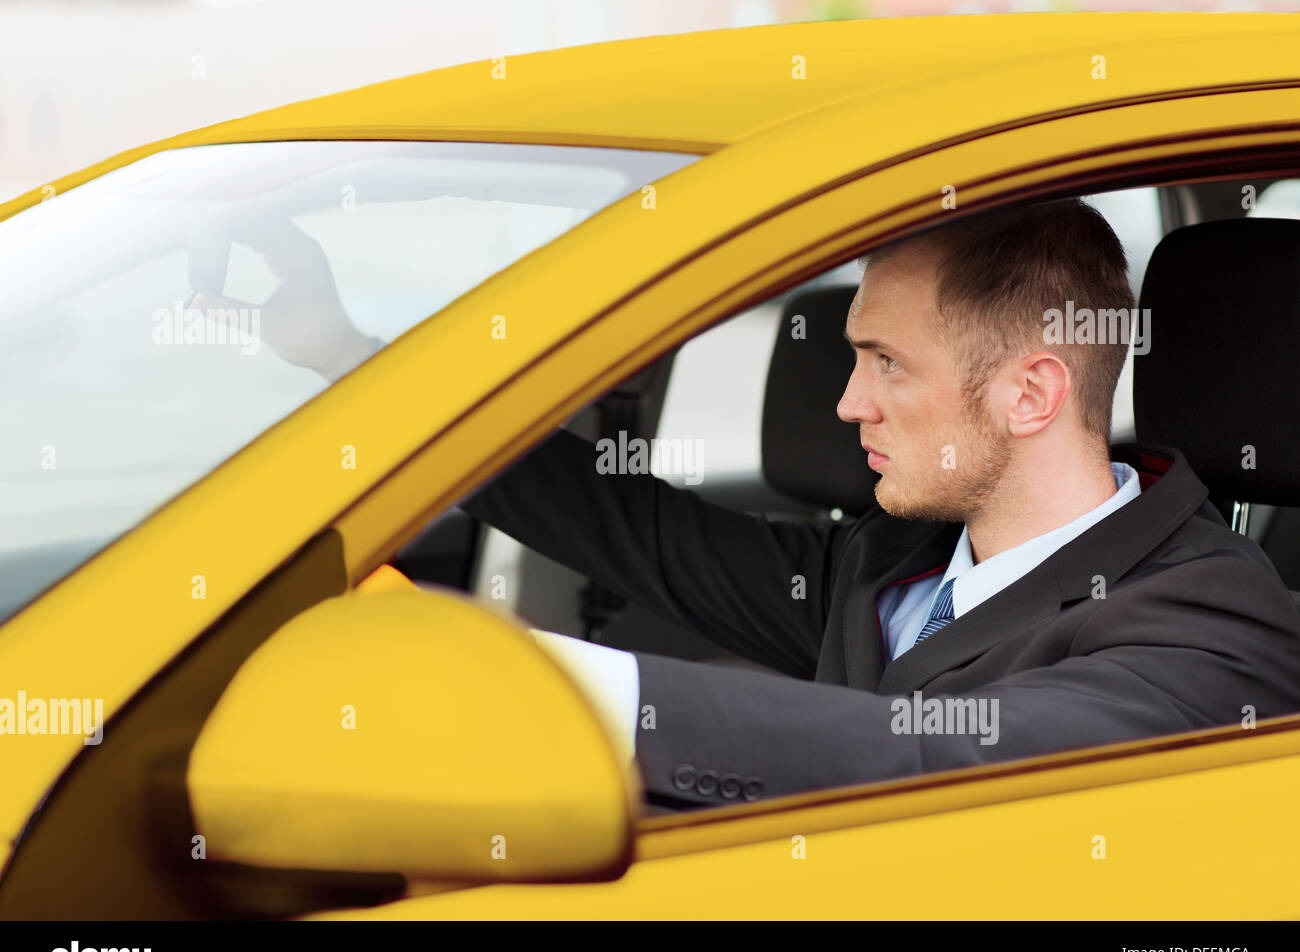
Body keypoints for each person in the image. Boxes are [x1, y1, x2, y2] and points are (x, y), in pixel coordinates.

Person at [214, 200, 1300, 810]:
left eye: (885, 363)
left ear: (1030, 392)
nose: (845, 401)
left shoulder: (1214, 623)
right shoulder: (892, 564)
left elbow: (935, 754)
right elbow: (630, 530)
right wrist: (342, 354)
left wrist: (529, 687)